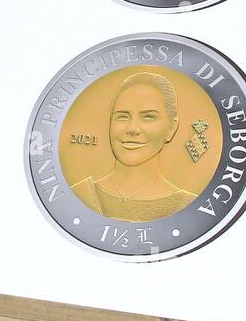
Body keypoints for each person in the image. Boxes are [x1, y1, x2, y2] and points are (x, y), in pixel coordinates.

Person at [70, 71, 196, 223]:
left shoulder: (191, 206)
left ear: (171, 128)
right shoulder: (78, 194)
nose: (132, 129)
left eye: (148, 117)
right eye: (122, 116)